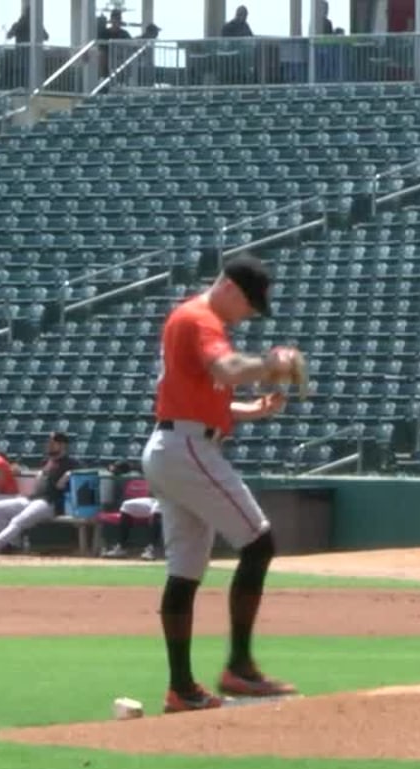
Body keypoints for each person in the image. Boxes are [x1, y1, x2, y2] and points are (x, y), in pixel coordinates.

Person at [144, 255, 299, 712]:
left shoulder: (189, 319)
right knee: (259, 542)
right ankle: (240, 668)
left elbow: (197, 397)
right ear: (229, 287)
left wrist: (252, 410)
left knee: (185, 572)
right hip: (187, 449)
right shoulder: (201, 319)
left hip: (173, 445)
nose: (247, 314)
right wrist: (271, 364)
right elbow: (228, 370)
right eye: (249, 304)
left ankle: (181, 689)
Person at [0, 431, 79, 553]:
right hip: (32, 499)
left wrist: (69, 474)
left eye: (53, 442)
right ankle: (11, 545)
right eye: (49, 442)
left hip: (50, 503)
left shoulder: (71, 463)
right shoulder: (47, 462)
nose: (48, 445)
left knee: (18, 520)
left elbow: (85, 473)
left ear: (62, 445)